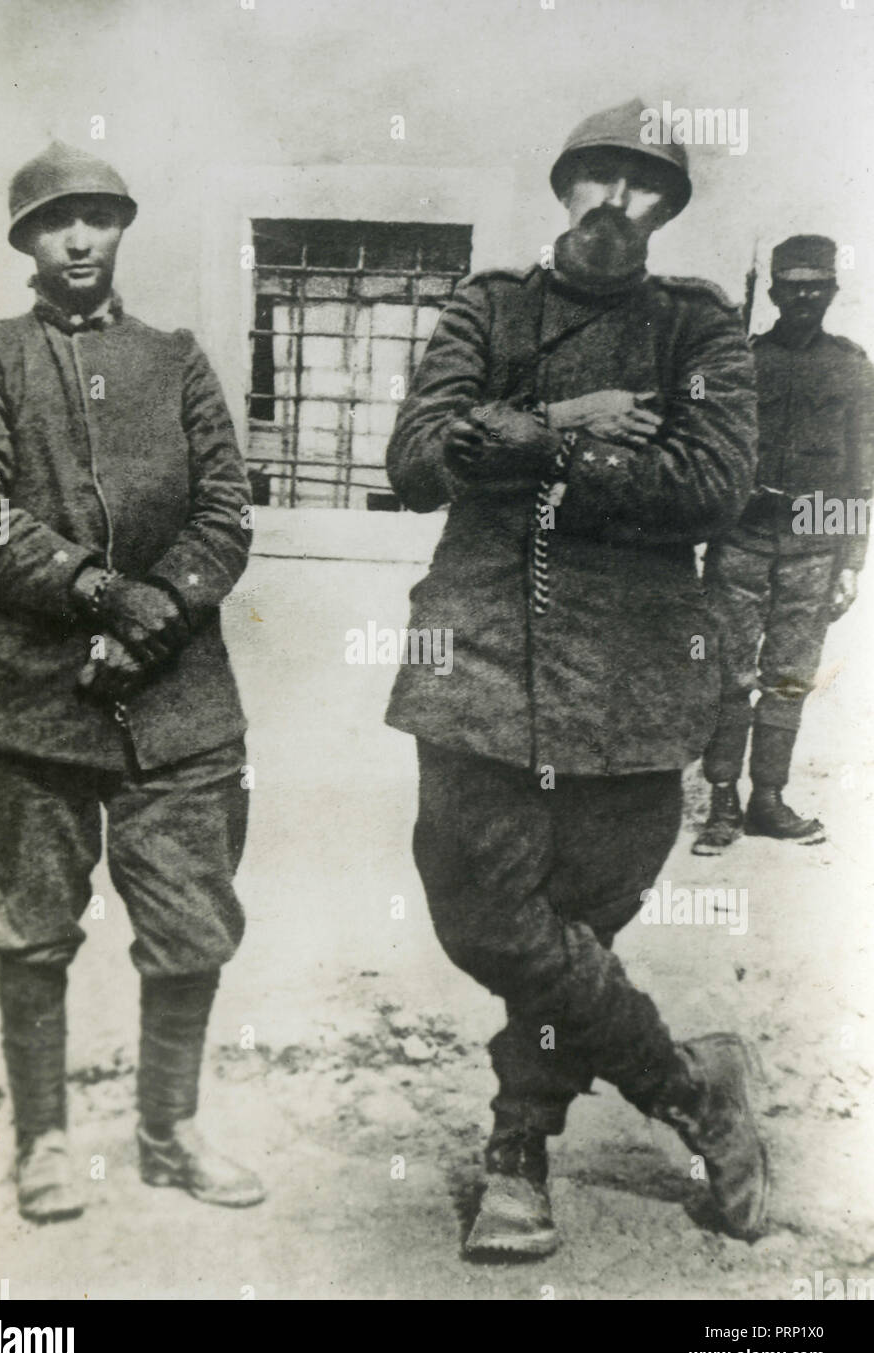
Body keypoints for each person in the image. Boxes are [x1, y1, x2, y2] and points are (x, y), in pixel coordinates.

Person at [384, 99, 767, 1258]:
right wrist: (570, 415)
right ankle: (691, 1086)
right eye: (598, 178)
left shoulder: (700, 332)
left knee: (582, 923)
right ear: (565, 186)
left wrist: (536, 447)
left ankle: (518, 1151)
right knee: (483, 911)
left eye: (646, 185)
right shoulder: (489, 304)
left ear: (669, 209)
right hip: (482, 649)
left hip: (638, 669)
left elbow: (710, 481)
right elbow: (414, 462)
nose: (618, 202)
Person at [0, 142, 264, 1221]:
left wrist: (159, 609)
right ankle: (46, 1141)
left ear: (123, 230)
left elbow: (227, 511)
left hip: (178, 701)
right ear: (25, 239)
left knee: (193, 921)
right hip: (32, 697)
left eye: (99, 218)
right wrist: (96, 592)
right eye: (55, 222)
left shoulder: (176, 357)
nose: (78, 239)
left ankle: (168, 1132)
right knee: (33, 925)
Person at [694, 234, 874, 853]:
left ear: (831, 291)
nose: (803, 295)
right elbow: (714, 448)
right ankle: (722, 802)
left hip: (816, 539)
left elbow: (861, 465)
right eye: (792, 285)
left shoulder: (852, 366)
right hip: (742, 534)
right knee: (728, 671)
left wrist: (852, 561)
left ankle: (768, 798)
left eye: (815, 285)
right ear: (771, 292)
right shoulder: (742, 360)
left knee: (791, 676)